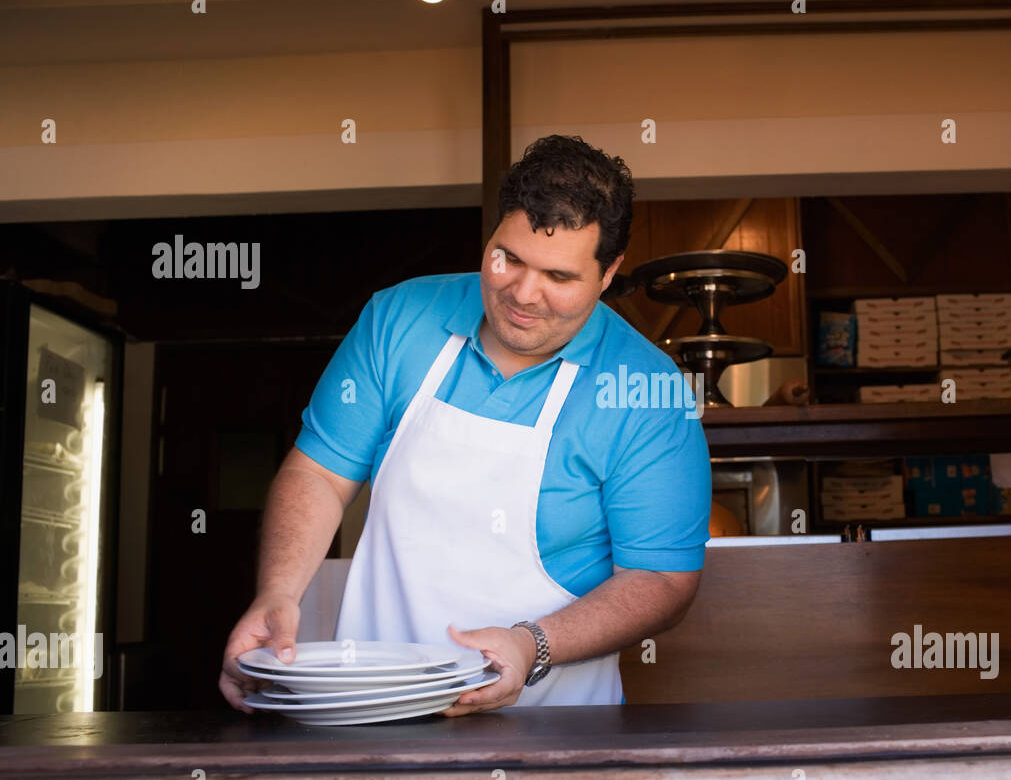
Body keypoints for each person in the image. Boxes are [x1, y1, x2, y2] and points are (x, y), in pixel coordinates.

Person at [219, 134, 712, 715]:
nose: (524, 295)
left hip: (555, 727)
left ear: (609, 274)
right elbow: (319, 475)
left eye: (559, 277)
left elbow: (661, 581)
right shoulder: (399, 319)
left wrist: (532, 647)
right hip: (375, 711)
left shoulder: (645, 390)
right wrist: (276, 593)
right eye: (509, 258)